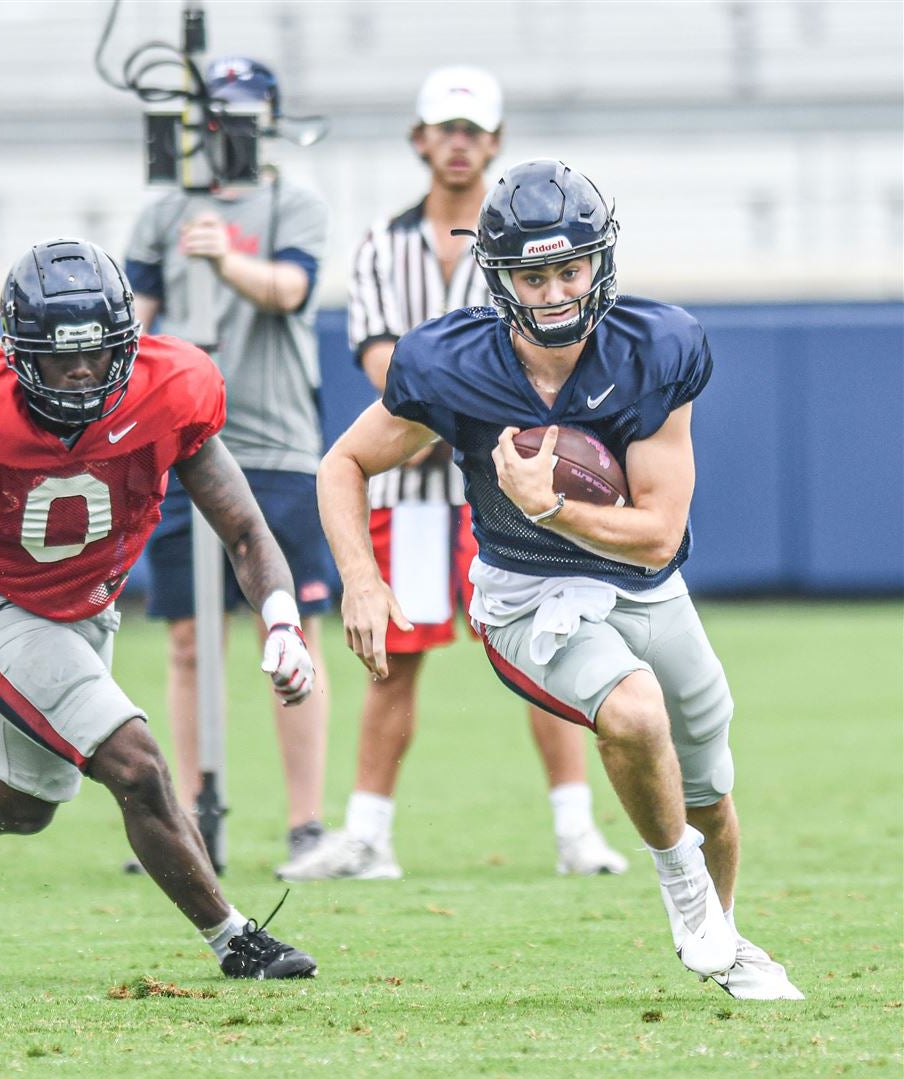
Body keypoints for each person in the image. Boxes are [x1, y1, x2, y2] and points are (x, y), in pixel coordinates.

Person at [315, 160, 803, 1000]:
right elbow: (345, 462)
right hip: (526, 595)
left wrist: (553, 509)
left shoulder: (657, 347)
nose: (553, 291)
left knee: (712, 797)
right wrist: (361, 578)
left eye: (568, 269)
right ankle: (684, 896)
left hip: (646, 588)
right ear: (499, 276)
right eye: (532, 274)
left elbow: (656, 538)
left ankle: (723, 942)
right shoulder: (448, 361)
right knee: (633, 710)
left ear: (599, 262)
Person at [0, 238, 318, 981]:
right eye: (57, 357)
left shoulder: (171, 390)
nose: (79, 372)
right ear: (18, 353)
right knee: (135, 764)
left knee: (19, 804)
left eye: (97, 354)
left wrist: (281, 620)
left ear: (126, 345)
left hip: (85, 610)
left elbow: (242, 526)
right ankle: (234, 938)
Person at [278, 68, 626, 883]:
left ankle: (576, 828)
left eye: (474, 129)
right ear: (421, 139)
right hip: (414, 483)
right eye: (447, 128)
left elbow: (548, 353)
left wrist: (463, 412)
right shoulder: (381, 244)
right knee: (395, 657)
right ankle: (368, 833)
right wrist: (453, 411)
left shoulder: (533, 247)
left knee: (550, 652)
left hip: (513, 480)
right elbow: (379, 361)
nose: (460, 143)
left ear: (495, 141)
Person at [125, 57, 332, 867]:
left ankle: (307, 823)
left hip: (277, 443)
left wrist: (224, 261)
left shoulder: (295, 201)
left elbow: (292, 288)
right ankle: (191, 818)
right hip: (185, 447)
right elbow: (133, 313)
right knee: (186, 637)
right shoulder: (165, 207)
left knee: (291, 634)